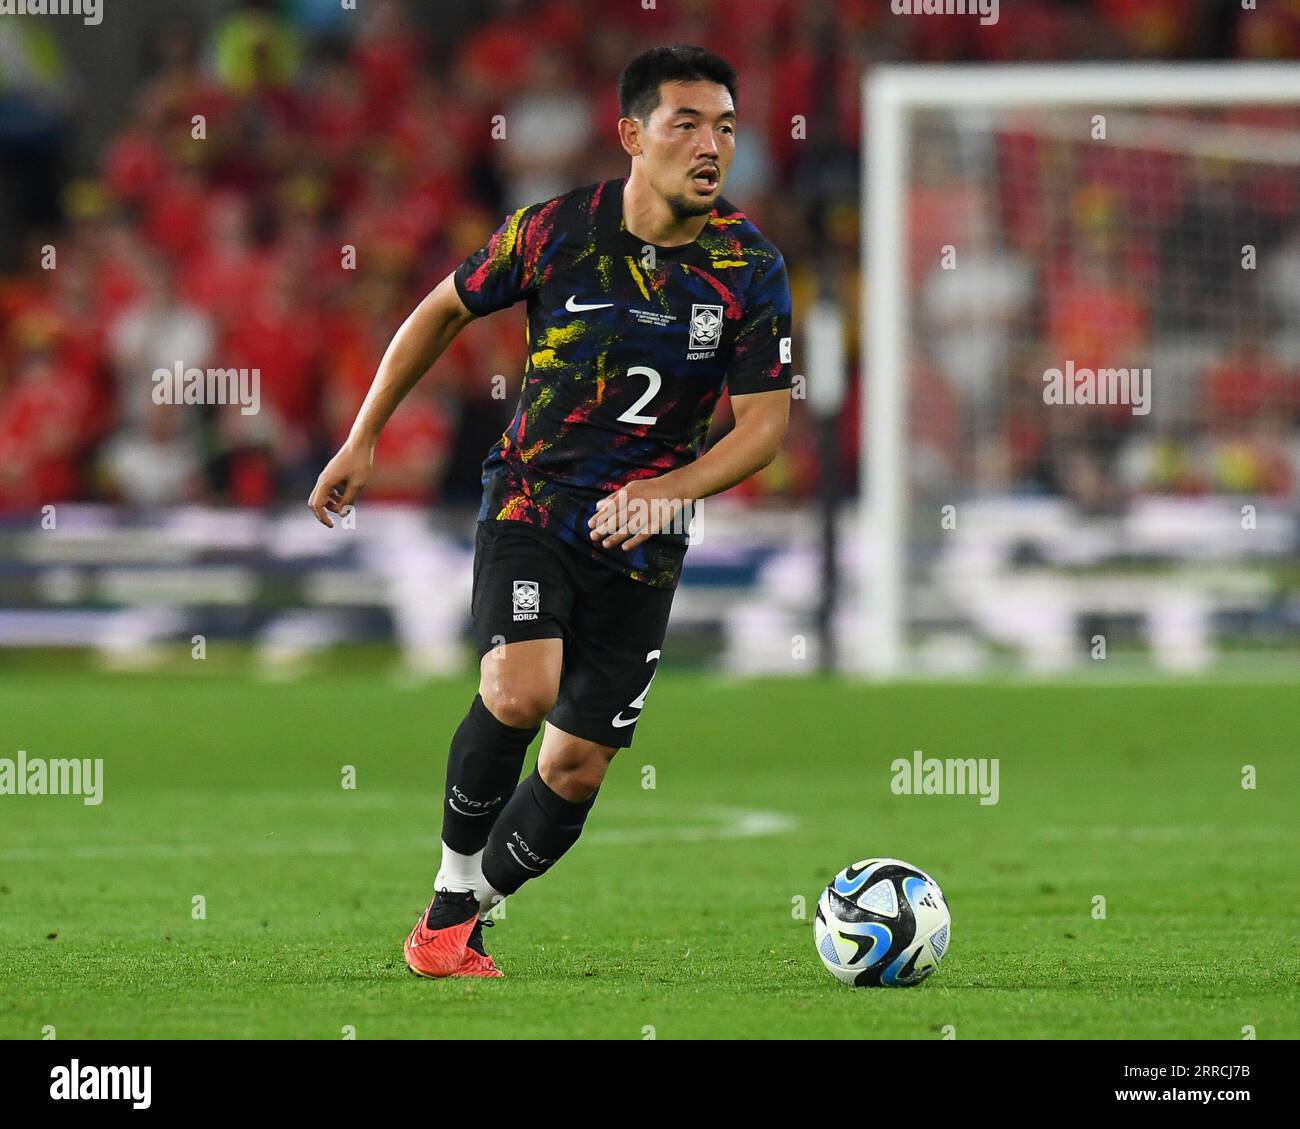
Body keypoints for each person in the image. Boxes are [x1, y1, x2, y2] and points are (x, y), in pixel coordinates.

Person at [309, 44, 793, 978]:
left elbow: (765, 428)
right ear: (632, 135)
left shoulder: (749, 266)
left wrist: (667, 493)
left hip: (646, 538)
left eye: (726, 128)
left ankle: (458, 917)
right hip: (534, 500)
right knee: (518, 691)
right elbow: (440, 311)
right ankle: (452, 888)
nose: (711, 146)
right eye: (687, 124)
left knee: (576, 767)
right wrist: (363, 436)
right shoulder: (554, 230)